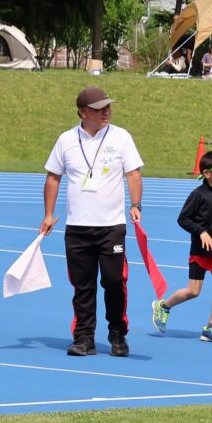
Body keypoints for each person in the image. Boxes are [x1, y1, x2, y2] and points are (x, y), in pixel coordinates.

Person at [40, 86, 144, 358]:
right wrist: (48, 215)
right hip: (77, 227)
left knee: (113, 281)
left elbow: (133, 174)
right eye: (100, 109)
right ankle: (84, 337)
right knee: (82, 285)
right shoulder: (66, 140)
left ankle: (117, 333)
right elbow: (53, 178)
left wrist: (135, 205)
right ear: (83, 112)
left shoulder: (121, 137)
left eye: (108, 107)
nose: (106, 112)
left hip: (111, 226)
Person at [151, 151, 212, 344]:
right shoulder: (198, 195)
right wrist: (201, 232)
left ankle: (211, 328)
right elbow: (183, 219)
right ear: (207, 173)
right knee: (193, 292)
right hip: (201, 252)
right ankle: (163, 306)